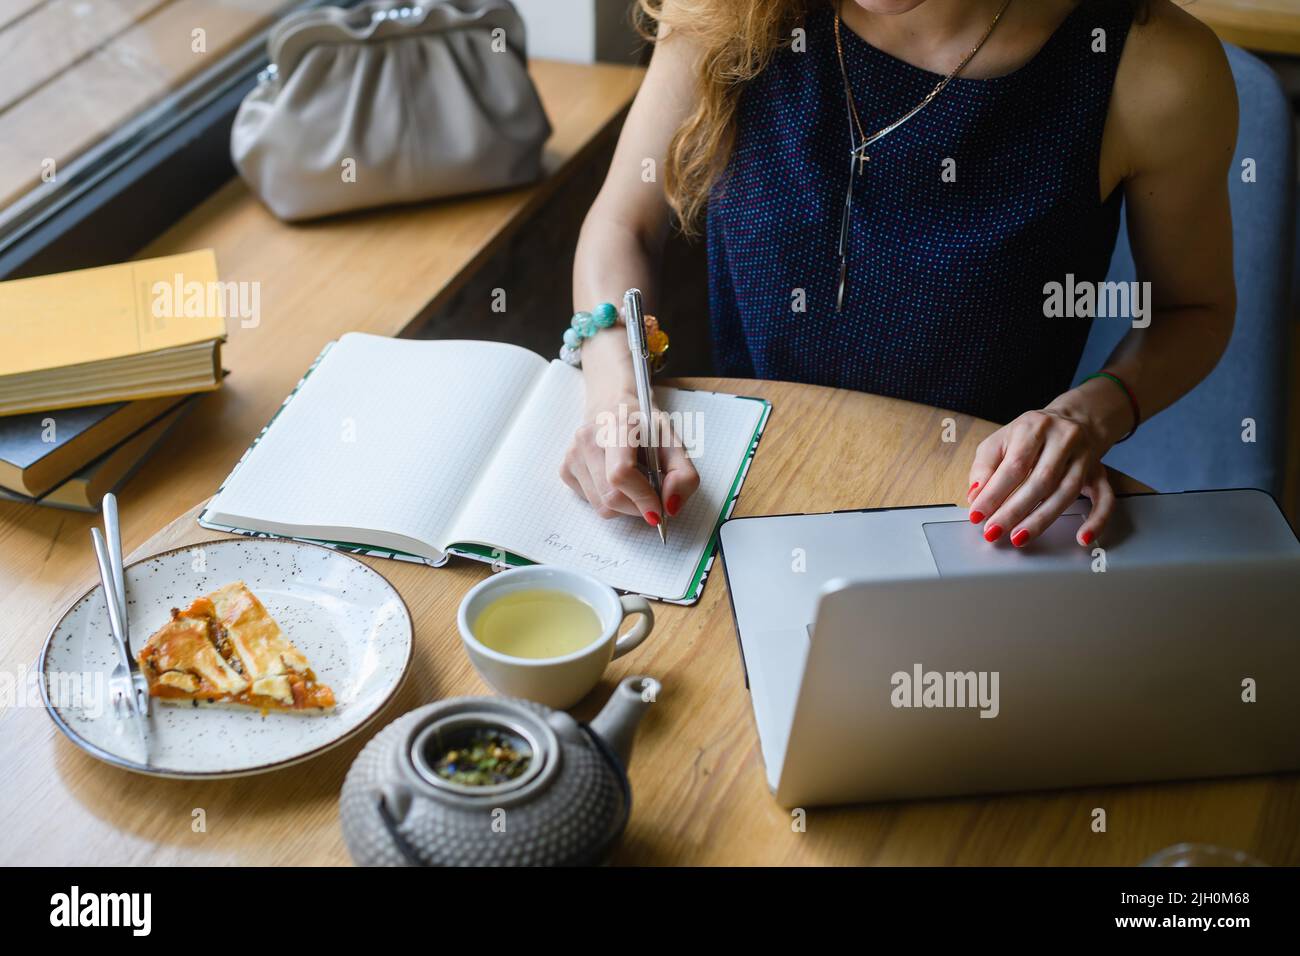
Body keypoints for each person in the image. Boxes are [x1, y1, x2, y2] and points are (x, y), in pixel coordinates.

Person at [561, 0, 1236, 548]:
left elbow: (1192, 311)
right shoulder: (727, 11)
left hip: (969, 521)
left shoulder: (1151, 69)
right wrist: (618, 394)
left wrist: (1089, 415)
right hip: (737, 493)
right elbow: (622, 225)